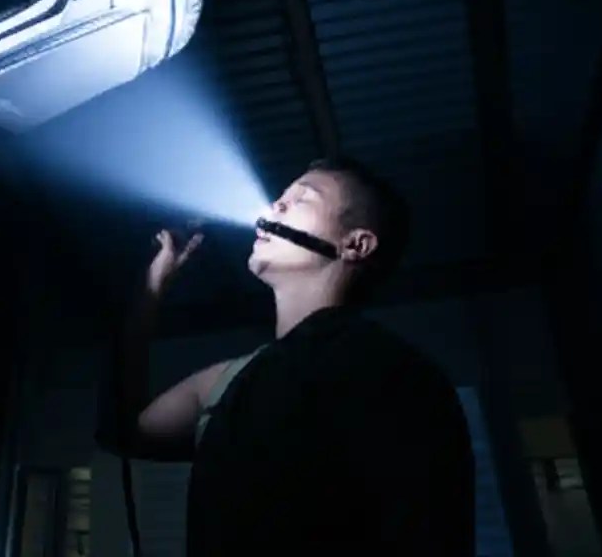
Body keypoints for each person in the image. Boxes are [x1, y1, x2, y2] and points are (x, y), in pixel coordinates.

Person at [99, 157, 475, 555]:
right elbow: (121, 433)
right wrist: (151, 289)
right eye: (280, 198)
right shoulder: (225, 382)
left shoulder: (399, 379)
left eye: (302, 199)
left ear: (356, 244)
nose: (275, 207)